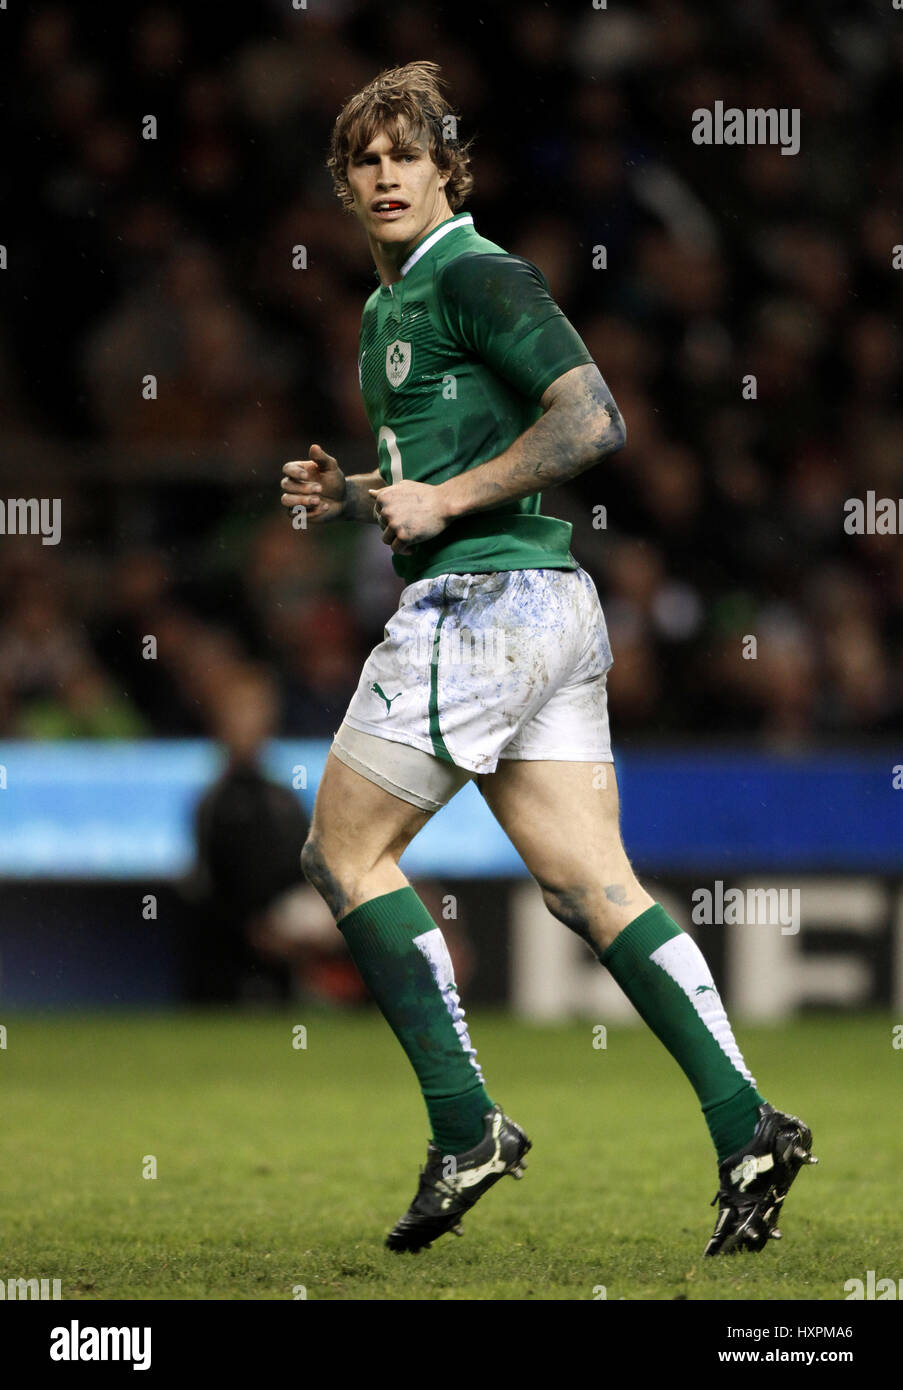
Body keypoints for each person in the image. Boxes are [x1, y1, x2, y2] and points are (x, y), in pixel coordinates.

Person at [280, 61, 816, 1255]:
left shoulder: (477, 272)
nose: (383, 176)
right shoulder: (386, 310)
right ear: (344, 179)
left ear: (445, 170)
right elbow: (434, 494)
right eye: (364, 160)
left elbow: (593, 419)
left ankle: (466, 1124)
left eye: (404, 156)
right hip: (546, 610)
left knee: (342, 852)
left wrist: (447, 498)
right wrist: (358, 493)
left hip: (487, 609)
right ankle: (748, 1124)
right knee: (590, 887)